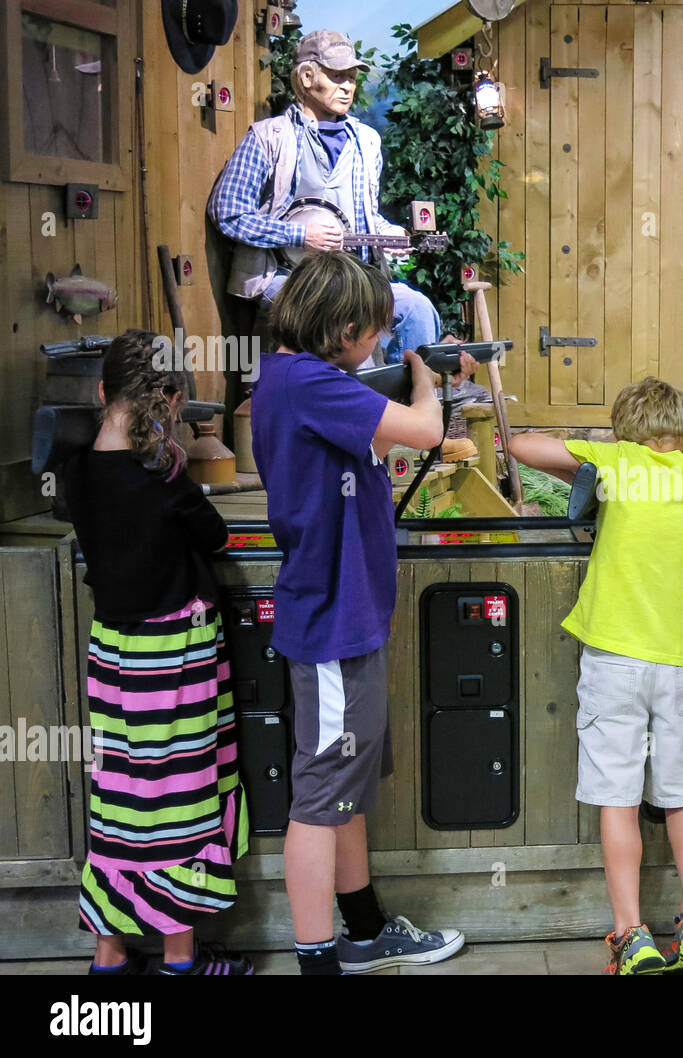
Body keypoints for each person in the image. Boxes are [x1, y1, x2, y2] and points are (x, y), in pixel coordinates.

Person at [251, 251, 476, 975]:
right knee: (320, 796)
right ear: (342, 328)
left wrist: (415, 393)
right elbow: (424, 431)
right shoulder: (312, 382)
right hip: (332, 622)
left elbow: (378, 440)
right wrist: (425, 382)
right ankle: (320, 957)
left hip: (346, 616)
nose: (377, 347)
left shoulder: (305, 380)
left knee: (342, 786)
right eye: (373, 336)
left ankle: (364, 931)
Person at [509, 378, 683, 974]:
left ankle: (631, 933)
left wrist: (598, 453)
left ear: (622, 436)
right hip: (680, 664)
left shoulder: (615, 462)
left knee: (617, 798)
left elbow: (524, 446)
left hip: (613, 662)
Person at [64, 329, 251, 975]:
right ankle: (179, 959)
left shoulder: (76, 471)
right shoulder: (166, 479)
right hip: (173, 658)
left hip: (112, 654)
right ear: (170, 401)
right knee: (180, 795)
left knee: (120, 795)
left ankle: (109, 956)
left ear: (100, 392)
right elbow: (218, 536)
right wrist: (176, 465)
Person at [208, 29, 446, 365]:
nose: (347, 86)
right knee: (346, 325)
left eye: (351, 78)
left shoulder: (367, 142)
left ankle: (405, 408)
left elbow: (365, 215)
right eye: (337, 76)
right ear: (307, 77)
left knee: (416, 309)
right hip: (286, 278)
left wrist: (387, 234)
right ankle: (361, 411)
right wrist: (299, 235)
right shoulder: (269, 137)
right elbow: (228, 212)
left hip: (353, 280)